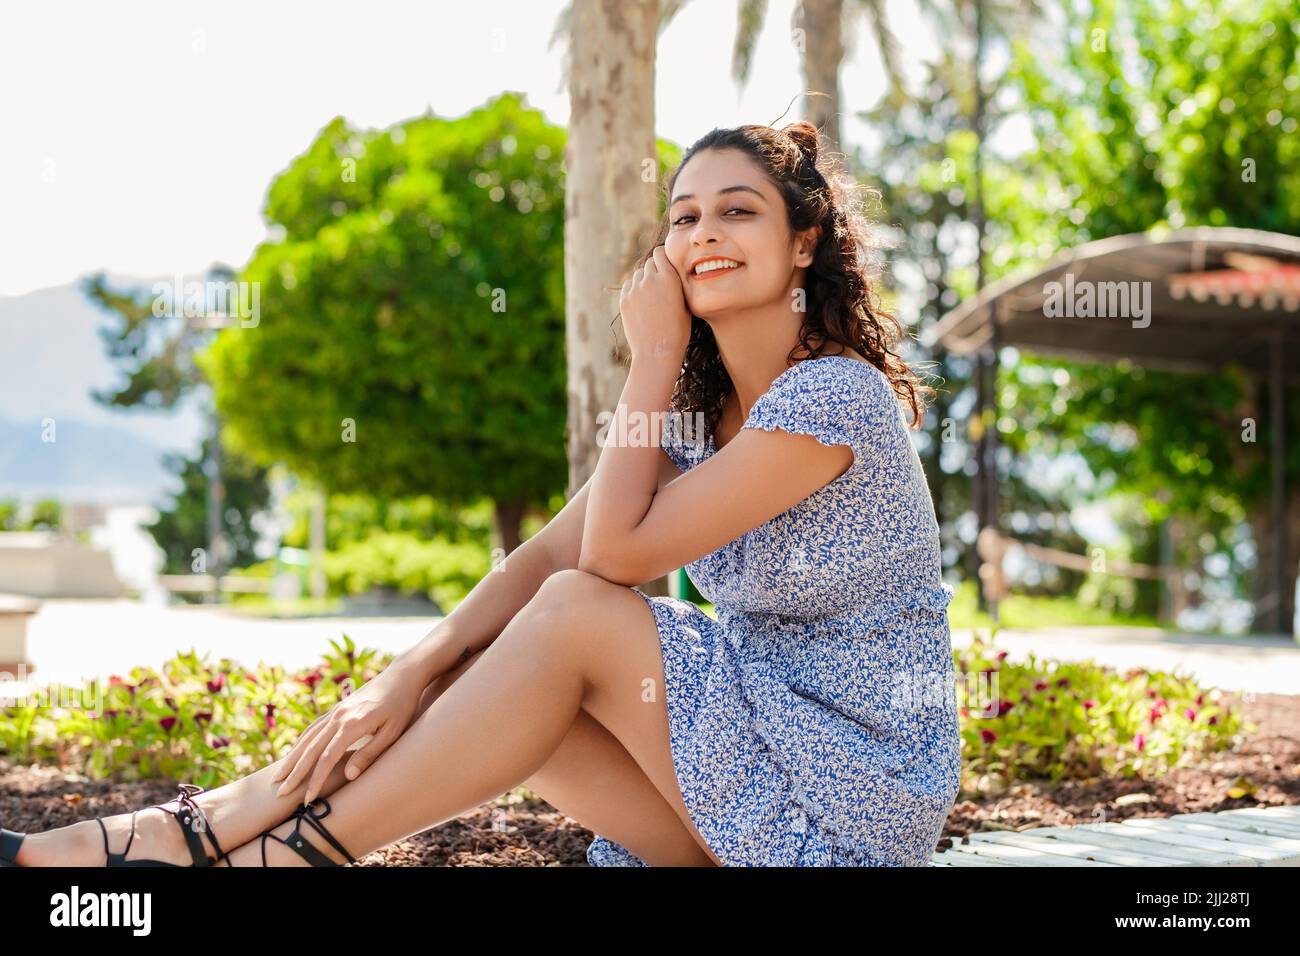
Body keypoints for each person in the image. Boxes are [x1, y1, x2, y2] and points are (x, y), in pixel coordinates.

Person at [0, 120, 959, 868]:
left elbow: (611, 566)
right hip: (752, 777)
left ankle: (246, 851)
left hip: (852, 790)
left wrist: (654, 356)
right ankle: (223, 825)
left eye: (738, 211)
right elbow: (546, 552)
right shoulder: (693, 420)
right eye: (684, 216)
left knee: (577, 614)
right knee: (482, 664)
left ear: (805, 244)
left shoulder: (833, 396)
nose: (704, 233)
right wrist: (407, 673)